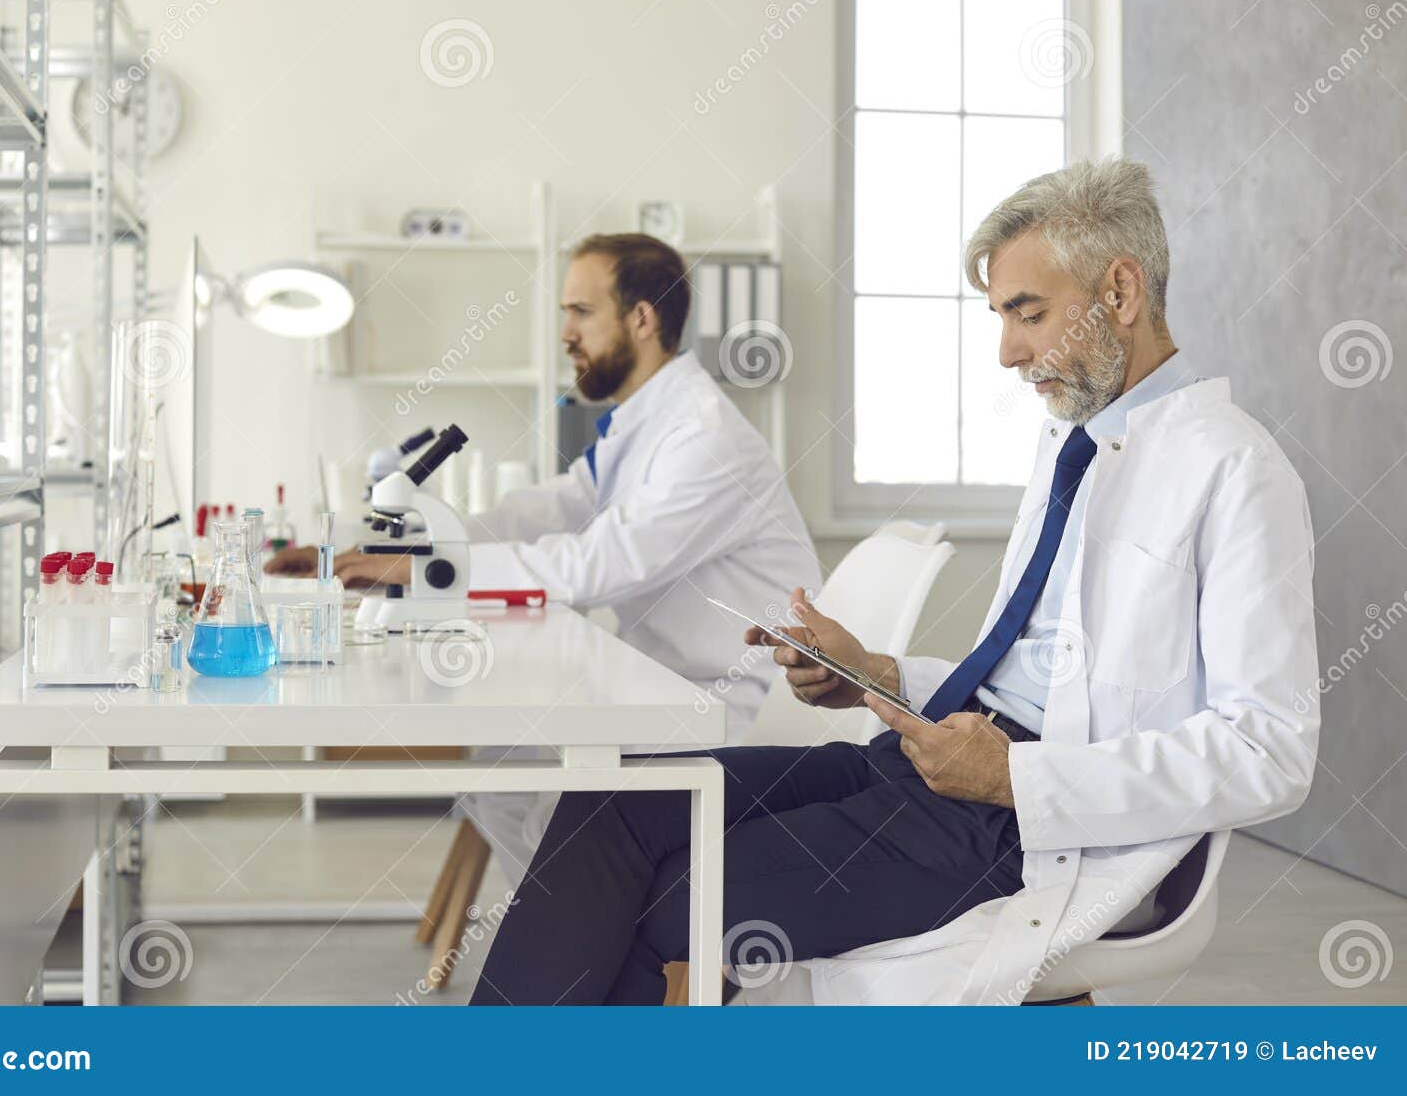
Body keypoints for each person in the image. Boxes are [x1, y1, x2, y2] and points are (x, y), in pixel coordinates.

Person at [470, 158, 1320, 1006]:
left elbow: (1270, 751)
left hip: (1023, 825)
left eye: (1027, 313)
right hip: (929, 765)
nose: (1007, 352)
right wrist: (880, 674)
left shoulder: (1236, 470)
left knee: (666, 900)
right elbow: (1035, 674)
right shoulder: (1072, 444)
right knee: (613, 802)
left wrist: (1016, 780)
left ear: (1121, 291)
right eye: (1001, 318)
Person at [271, 233, 818, 880]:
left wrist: (422, 571)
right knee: (500, 769)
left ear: (642, 318)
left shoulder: (705, 437)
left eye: (581, 312)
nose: (565, 332)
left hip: (723, 710)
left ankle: (608, 956)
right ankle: (573, 954)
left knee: (532, 794)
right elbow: (551, 507)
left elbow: (593, 565)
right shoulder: (642, 421)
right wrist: (396, 550)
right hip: (659, 681)